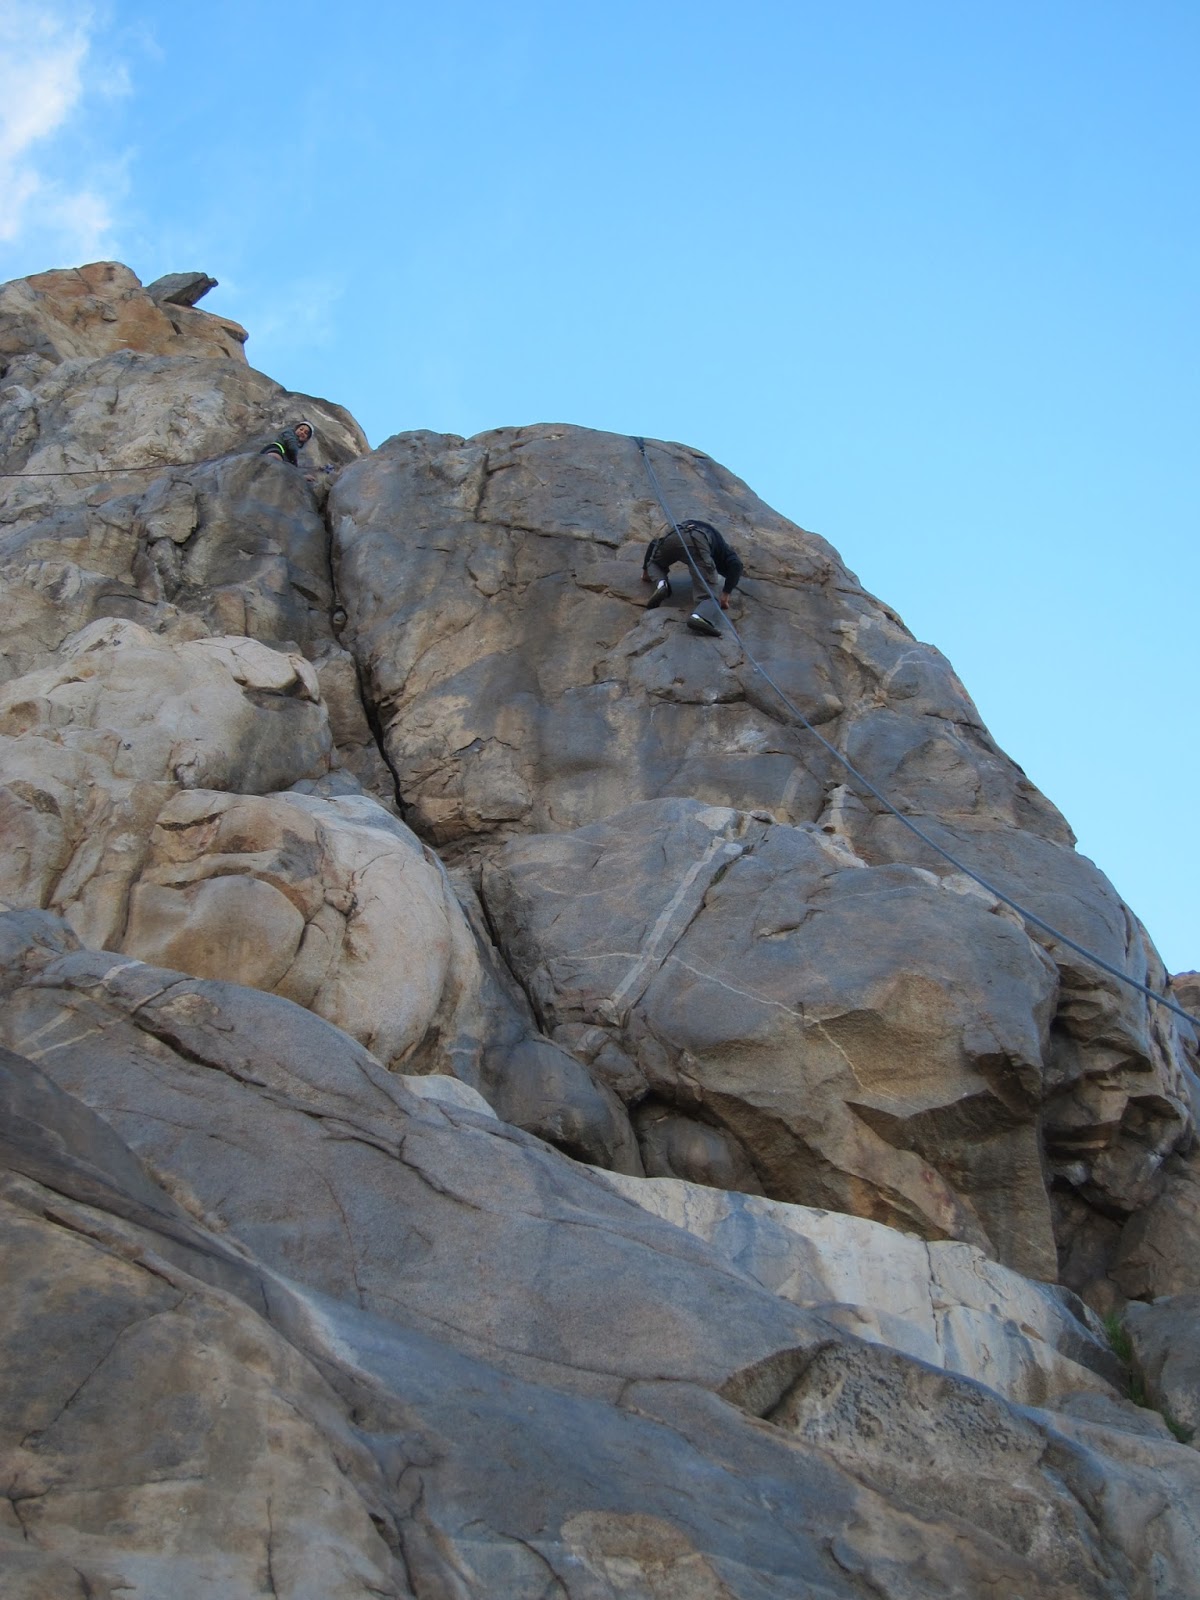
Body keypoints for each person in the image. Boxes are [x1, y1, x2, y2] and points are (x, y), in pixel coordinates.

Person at [642, 518, 743, 634]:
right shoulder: (725, 551)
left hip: (676, 532)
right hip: (699, 541)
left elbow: (654, 543)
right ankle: (699, 617)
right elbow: (737, 565)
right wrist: (725, 595)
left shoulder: (714, 536)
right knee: (709, 597)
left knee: (654, 563)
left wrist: (646, 570)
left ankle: (661, 584)